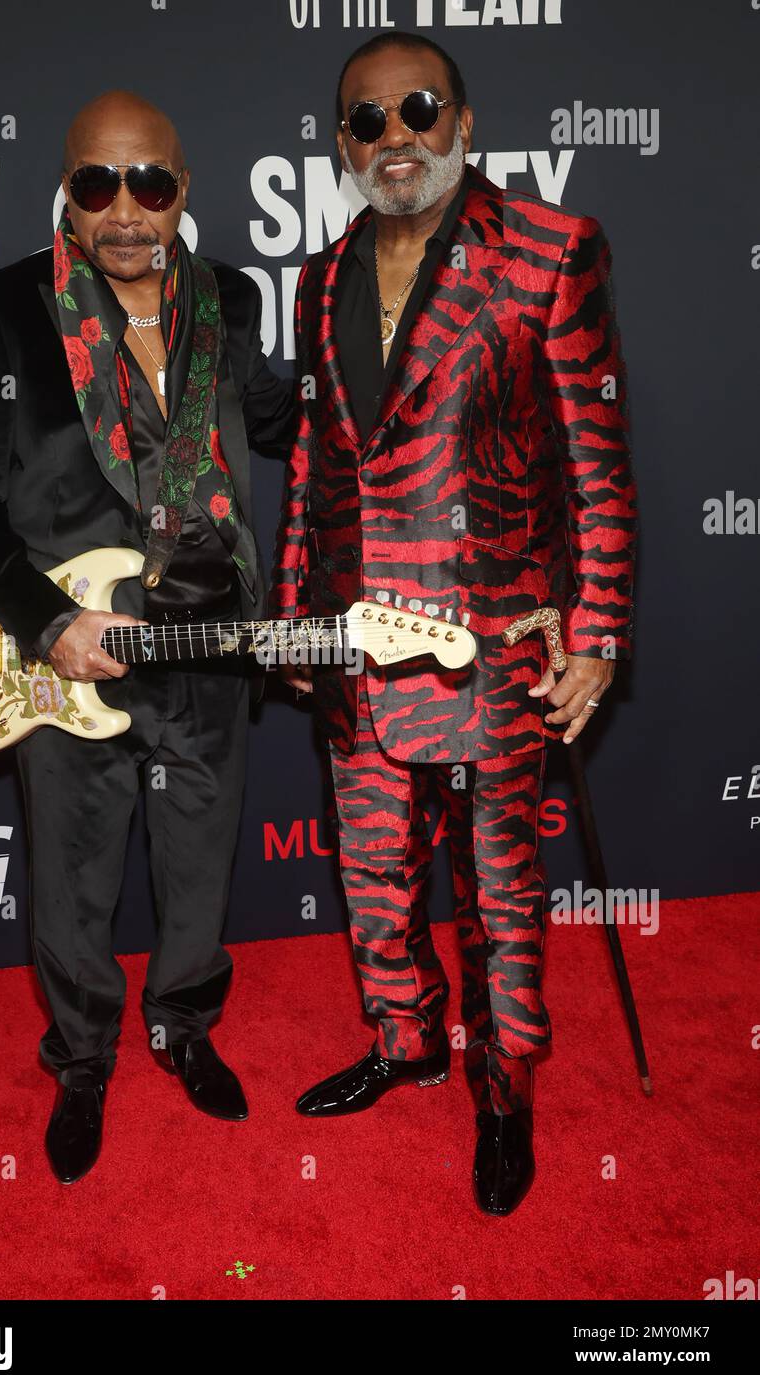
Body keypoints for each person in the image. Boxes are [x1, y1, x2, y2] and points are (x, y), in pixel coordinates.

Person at [269, 32, 636, 1215]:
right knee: (374, 875)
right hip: (356, 651)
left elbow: (597, 464)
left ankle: (502, 1087)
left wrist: (595, 632)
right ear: (341, 146)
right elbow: (313, 475)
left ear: (462, 122)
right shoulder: (321, 278)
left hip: (489, 648)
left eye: (417, 110)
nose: (395, 138)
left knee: (499, 891)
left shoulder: (546, 252)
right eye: (366, 121)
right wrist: (292, 614)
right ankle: (406, 1041)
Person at [0, 90, 294, 1184]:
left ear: (183, 189)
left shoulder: (225, 298)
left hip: (206, 641)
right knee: (74, 879)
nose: (124, 209)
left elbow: (272, 414)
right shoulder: (9, 307)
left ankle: (183, 1022)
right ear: (68, 196)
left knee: (199, 860)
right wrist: (47, 624)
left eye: (148, 183)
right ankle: (82, 1055)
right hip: (69, 649)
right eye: (97, 185)